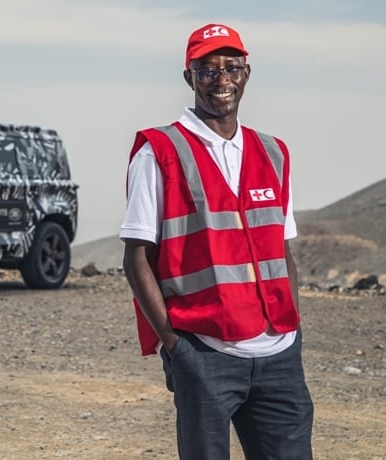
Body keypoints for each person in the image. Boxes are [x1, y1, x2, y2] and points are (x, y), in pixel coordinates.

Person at [120, 23, 314, 459]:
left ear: (246, 74)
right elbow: (137, 259)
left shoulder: (273, 152)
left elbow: (283, 251)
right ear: (189, 78)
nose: (220, 79)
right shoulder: (160, 151)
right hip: (205, 352)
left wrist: (294, 325)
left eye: (230, 68)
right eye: (207, 70)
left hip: (279, 354)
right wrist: (176, 347)